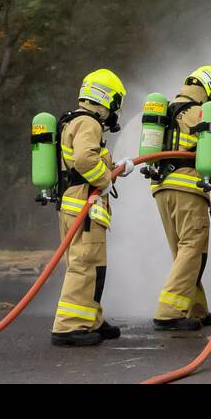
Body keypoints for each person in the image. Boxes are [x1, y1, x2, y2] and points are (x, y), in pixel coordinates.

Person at [51, 68, 132, 347]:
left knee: (91, 264)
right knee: (85, 264)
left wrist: (116, 165)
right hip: (84, 206)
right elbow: (85, 160)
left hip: (73, 204)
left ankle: (90, 317)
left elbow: (86, 157)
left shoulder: (72, 120)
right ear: (107, 99)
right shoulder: (89, 123)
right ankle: (69, 327)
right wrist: (106, 179)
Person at [147, 65, 211, 331]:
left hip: (161, 188)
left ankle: (196, 308)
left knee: (183, 250)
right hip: (188, 188)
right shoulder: (199, 113)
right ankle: (169, 311)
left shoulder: (165, 110)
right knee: (192, 247)